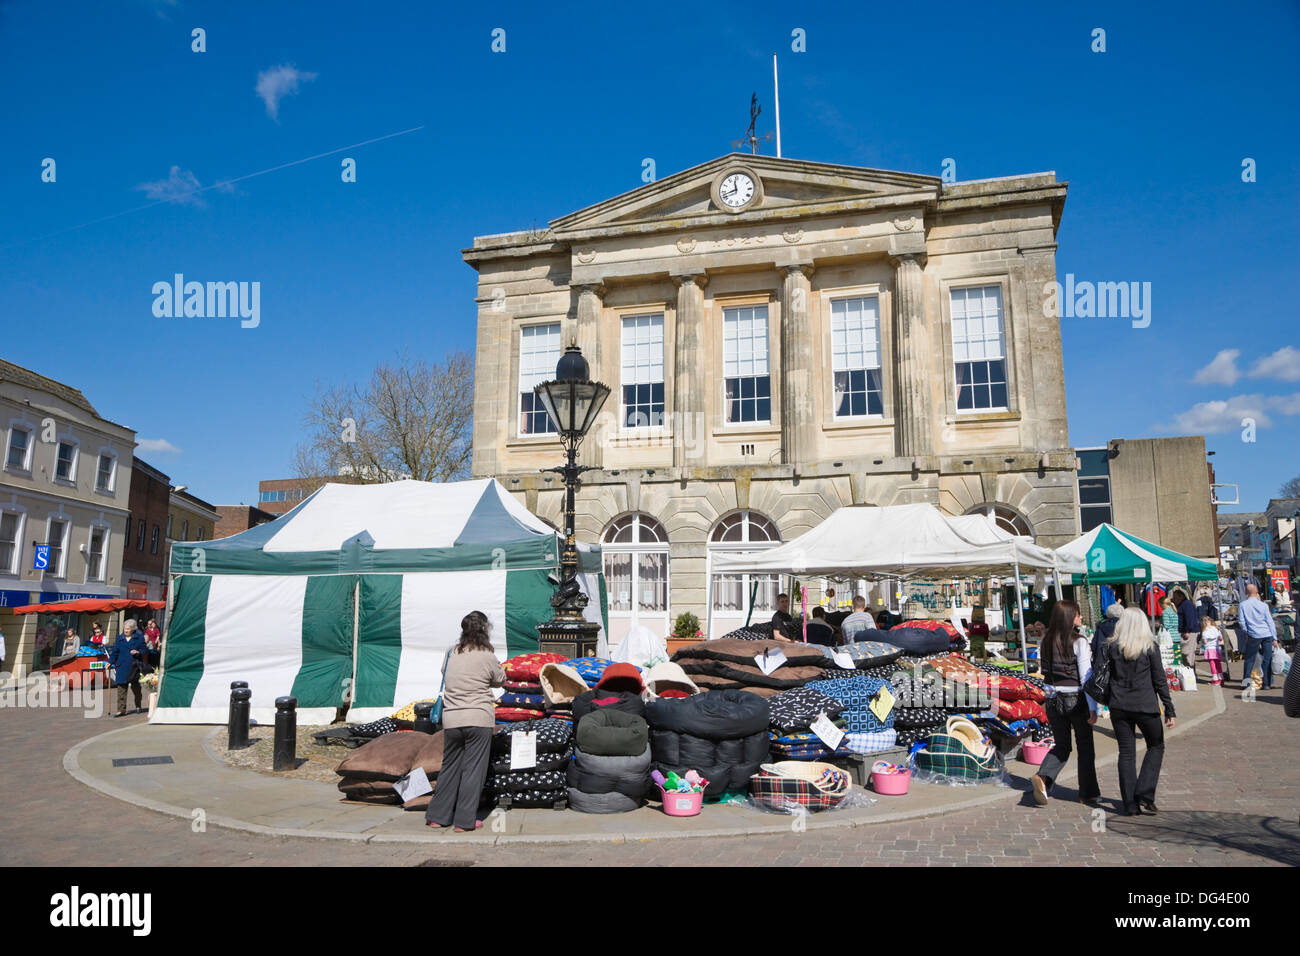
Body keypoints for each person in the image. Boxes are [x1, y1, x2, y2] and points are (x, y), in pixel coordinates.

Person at [426, 610, 506, 832]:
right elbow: (500, 680)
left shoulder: (451, 652)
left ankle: (437, 816)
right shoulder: (487, 655)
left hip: (451, 719)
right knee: (473, 770)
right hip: (478, 718)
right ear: (484, 630)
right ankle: (464, 821)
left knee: (449, 767)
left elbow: (444, 672)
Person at [1102, 607, 1176, 815]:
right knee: (1156, 745)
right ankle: (1144, 793)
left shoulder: (1112, 647)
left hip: (1118, 705)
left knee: (1126, 753)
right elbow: (1159, 679)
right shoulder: (1149, 646)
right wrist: (1169, 707)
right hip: (1144, 705)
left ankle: (1129, 803)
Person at [1031, 600, 1100, 808]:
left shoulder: (1046, 640)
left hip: (1052, 698)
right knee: (1085, 746)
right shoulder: (1079, 642)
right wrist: (1093, 707)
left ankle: (1043, 777)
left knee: (1062, 745)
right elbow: (1086, 676)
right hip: (1075, 698)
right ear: (1070, 617)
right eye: (1078, 615)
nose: (1080, 618)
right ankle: (1087, 793)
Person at [1238, 582, 1278, 691]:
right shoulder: (1264, 605)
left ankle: (1246, 683)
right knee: (1267, 659)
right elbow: (1270, 622)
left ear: (1246, 592)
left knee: (1249, 659)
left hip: (1253, 634)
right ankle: (1266, 684)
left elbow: (1241, 621)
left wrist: (1247, 632)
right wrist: (1275, 638)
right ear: (1256, 592)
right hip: (1266, 634)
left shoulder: (1242, 605)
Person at [109, 619, 148, 717]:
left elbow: (144, 649)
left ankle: (138, 705)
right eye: (125, 628)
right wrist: (110, 662)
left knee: (136, 689)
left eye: (128, 629)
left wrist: (138, 652)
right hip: (121, 666)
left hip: (133, 666)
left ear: (133, 629)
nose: (126, 630)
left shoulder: (139, 637)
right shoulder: (119, 638)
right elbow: (115, 652)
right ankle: (121, 710)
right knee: (121, 689)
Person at [1171, 589, 1199, 666]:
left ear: (1181, 597)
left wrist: (1188, 631)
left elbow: (1190, 618)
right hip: (1183, 631)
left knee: (1188, 654)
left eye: (1175, 598)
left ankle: (1190, 672)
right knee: (1184, 654)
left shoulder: (1187, 604)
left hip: (1189, 632)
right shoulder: (1181, 605)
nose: (1174, 600)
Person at [1200, 613, 1225, 686]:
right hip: (1216, 648)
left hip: (1209, 649)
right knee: (1218, 663)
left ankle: (1215, 679)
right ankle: (1221, 678)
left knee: (1212, 664)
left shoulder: (1205, 631)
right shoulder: (1216, 629)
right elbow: (1220, 638)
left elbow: (1205, 642)